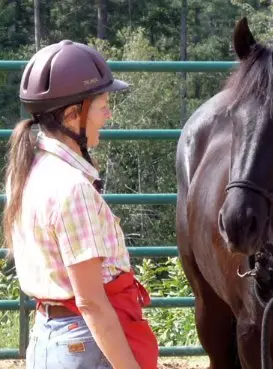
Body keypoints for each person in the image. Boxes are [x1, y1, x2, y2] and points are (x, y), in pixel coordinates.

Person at [2, 40, 158, 369]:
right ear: (74, 114)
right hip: (84, 344)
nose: (108, 114)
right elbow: (91, 303)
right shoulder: (72, 188)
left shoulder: (30, 171)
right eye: (103, 104)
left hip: (50, 338)